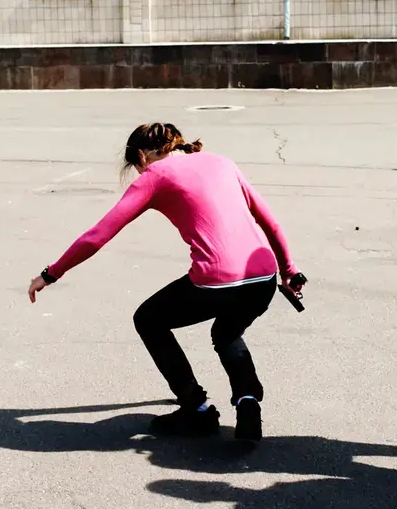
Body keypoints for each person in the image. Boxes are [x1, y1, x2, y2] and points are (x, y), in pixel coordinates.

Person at [28, 123, 303, 443]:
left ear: (142, 155)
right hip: (263, 277)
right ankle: (247, 402)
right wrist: (289, 271)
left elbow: (97, 236)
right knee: (227, 332)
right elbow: (268, 220)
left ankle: (196, 408)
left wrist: (50, 274)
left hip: (216, 280)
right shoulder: (222, 162)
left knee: (148, 319)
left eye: (135, 166)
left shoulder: (155, 176)